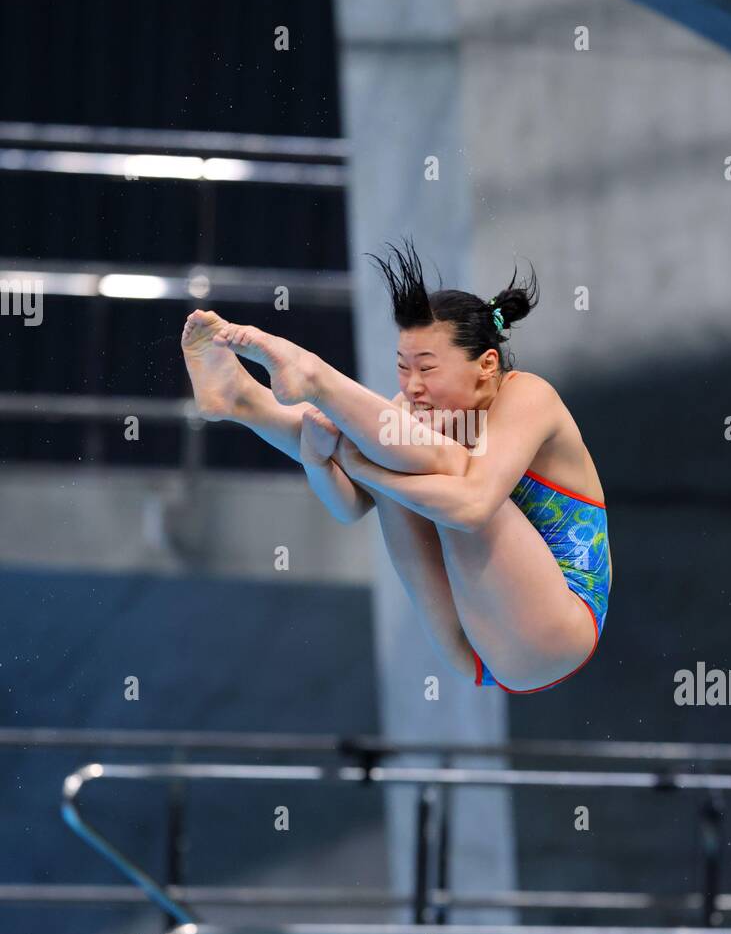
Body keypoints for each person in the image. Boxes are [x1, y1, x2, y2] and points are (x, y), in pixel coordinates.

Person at [181, 238, 611, 693]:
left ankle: (315, 377)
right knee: (386, 444)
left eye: (427, 369)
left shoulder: (528, 398)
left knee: (444, 463)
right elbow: (348, 506)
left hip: (556, 627)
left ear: (487, 365)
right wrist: (318, 460)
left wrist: (366, 468)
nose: (412, 386)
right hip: (470, 646)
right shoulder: (412, 414)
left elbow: (472, 509)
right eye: (403, 367)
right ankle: (244, 402)